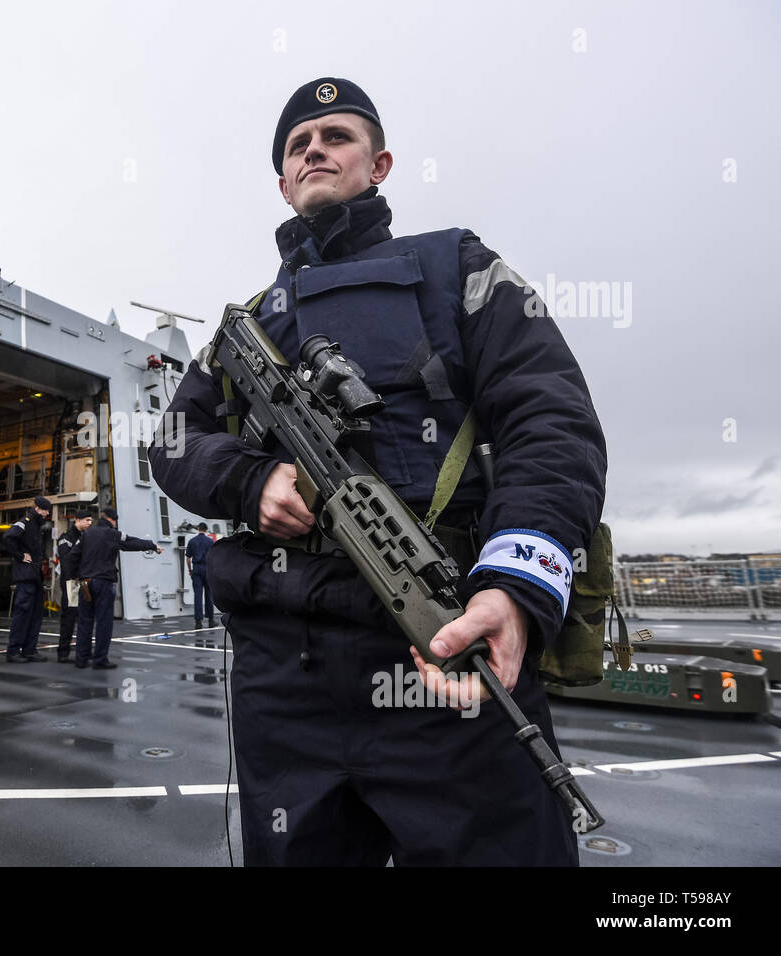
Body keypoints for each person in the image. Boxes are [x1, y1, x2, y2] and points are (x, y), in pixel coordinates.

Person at [149, 77, 605, 866]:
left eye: (336, 136)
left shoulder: (458, 266)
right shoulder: (248, 325)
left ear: (380, 162)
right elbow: (173, 439)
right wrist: (248, 482)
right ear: (282, 181)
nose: (314, 150)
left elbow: (550, 420)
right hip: (285, 678)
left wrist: (517, 584)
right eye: (298, 145)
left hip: (446, 649)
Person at [69, 508, 161, 669]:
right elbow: (131, 542)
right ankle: (100, 660)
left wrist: (78, 575)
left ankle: (81, 659)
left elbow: (72, 556)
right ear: (113, 520)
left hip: (85, 583)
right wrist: (152, 545)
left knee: (85, 622)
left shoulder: (86, 535)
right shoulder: (112, 534)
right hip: (103, 583)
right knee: (104, 623)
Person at [2, 495, 52, 662]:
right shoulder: (25, 521)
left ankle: (29, 650)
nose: (46, 514)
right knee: (22, 614)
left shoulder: (36, 525)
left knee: (35, 615)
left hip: (35, 575)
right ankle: (13, 652)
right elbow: (8, 537)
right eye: (45, 510)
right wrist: (19, 555)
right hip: (26, 575)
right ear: (38, 508)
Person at [54, 510, 93, 662]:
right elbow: (66, 562)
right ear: (77, 520)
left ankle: (84, 652)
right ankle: (63, 653)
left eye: (91, 520)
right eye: (87, 520)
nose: (90, 523)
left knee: (85, 617)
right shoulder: (66, 539)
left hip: (84, 582)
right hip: (72, 582)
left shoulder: (87, 537)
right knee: (69, 618)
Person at [185, 522, 215, 629]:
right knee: (209, 595)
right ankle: (211, 620)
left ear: (198, 529)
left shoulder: (192, 541)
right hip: (207, 569)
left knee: (197, 595)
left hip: (196, 569)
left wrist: (190, 570)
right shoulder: (210, 541)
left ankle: (198, 622)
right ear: (206, 530)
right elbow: (213, 559)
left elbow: (188, 559)